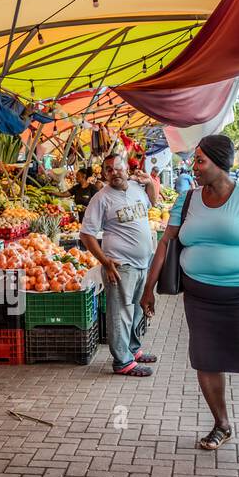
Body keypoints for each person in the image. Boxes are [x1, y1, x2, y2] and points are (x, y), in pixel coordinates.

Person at [140, 134, 239, 457]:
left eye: (200, 160)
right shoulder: (187, 200)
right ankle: (221, 424)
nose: (194, 167)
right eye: (194, 160)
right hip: (200, 299)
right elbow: (166, 243)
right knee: (206, 360)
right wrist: (148, 287)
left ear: (221, 163)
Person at [80, 153, 159, 376]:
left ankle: (132, 349)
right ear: (104, 174)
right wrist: (105, 262)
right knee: (120, 314)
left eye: (117, 167)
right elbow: (86, 234)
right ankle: (122, 361)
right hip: (120, 265)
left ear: (126, 169)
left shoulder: (136, 188)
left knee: (136, 311)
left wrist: (150, 183)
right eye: (109, 169)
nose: (114, 172)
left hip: (142, 263)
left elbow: (152, 202)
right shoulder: (101, 198)